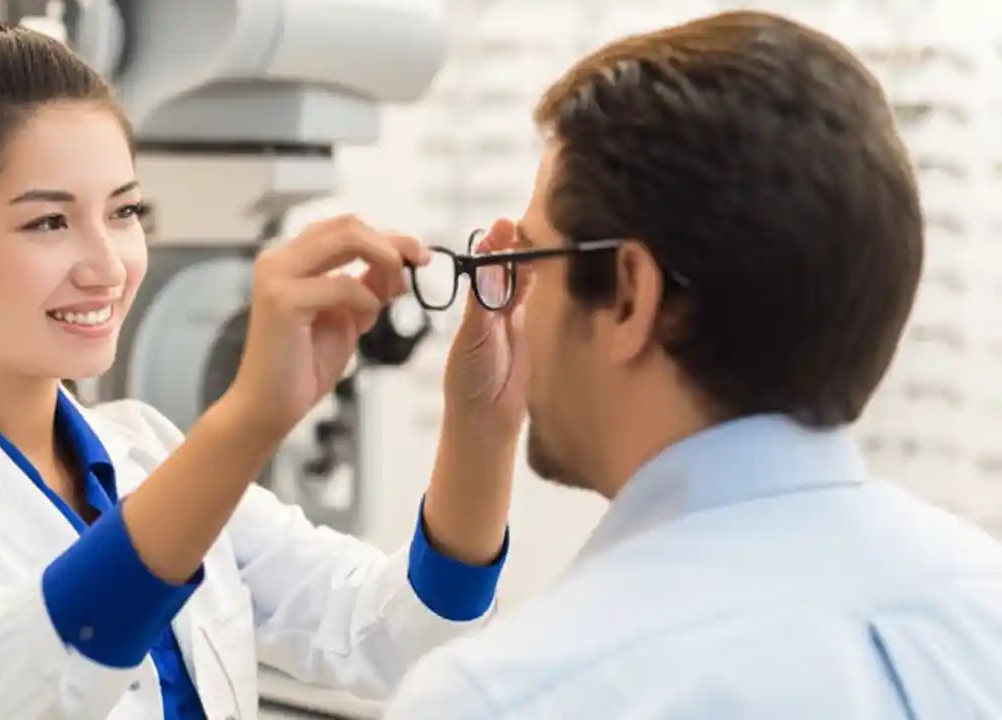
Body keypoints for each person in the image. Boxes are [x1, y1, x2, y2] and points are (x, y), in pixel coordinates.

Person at [0, 25, 529, 720]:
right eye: (49, 221)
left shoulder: (143, 453)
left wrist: (483, 425)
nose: (108, 265)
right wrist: (247, 419)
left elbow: (391, 633)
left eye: (124, 213)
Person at [388, 10, 1002, 719]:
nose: (515, 304)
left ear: (628, 297)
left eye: (527, 260)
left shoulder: (509, 697)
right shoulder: (983, 606)